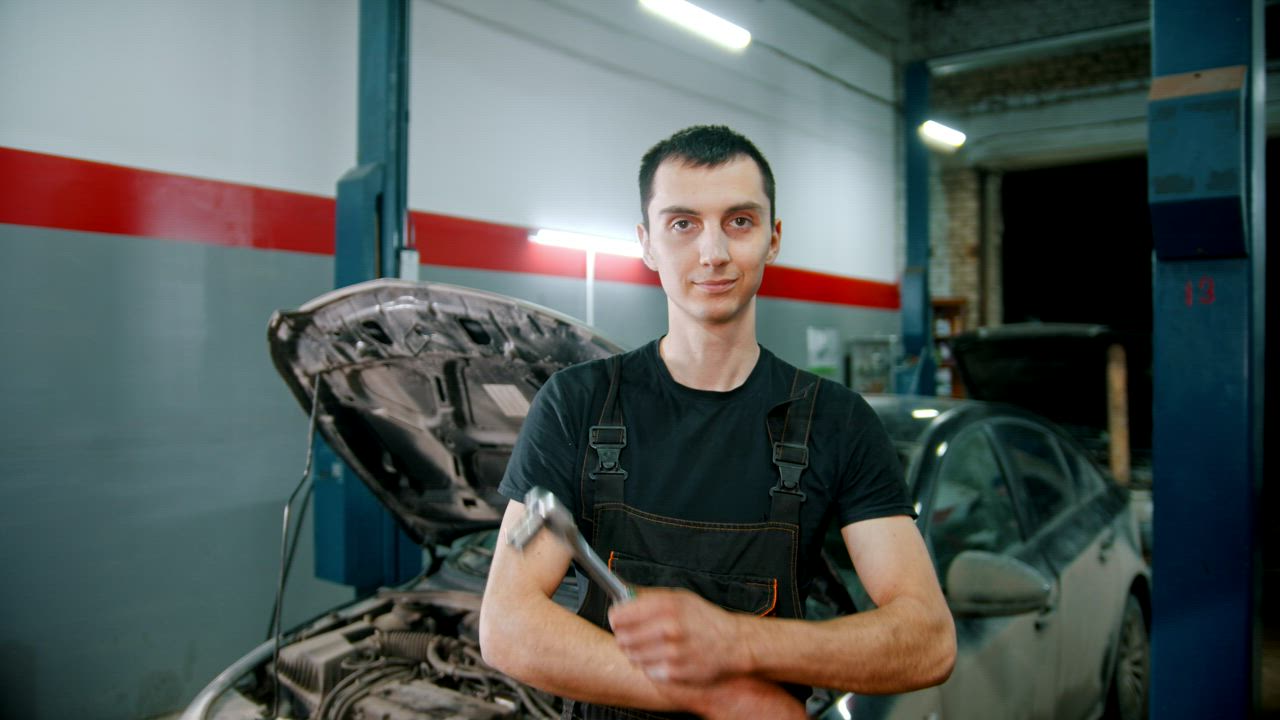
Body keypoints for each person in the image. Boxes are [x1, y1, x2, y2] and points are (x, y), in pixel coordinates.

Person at [479, 125, 955, 720]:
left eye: (740, 221)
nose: (713, 253)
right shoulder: (578, 403)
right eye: (682, 224)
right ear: (646, 243)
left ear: (773, 238)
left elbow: (927, 641)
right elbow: (508, 625)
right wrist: (721, 698)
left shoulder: (837, 422)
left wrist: (734, 642)